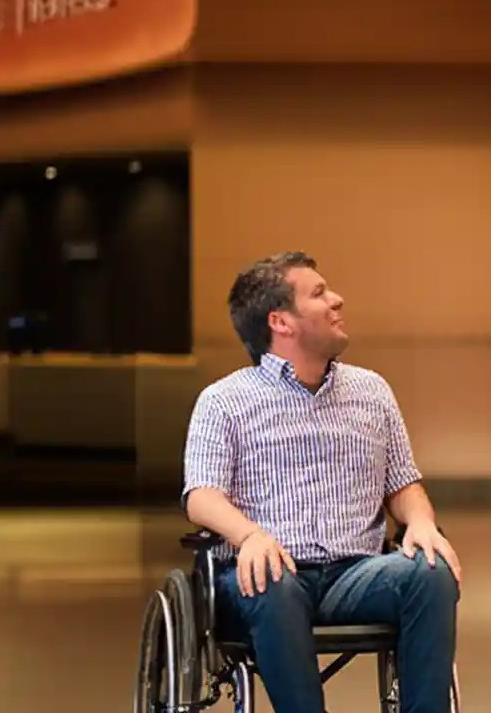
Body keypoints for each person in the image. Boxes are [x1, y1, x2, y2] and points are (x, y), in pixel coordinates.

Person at [182, 251, 461, 712]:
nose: (337, 299)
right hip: (267, 576)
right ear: (280, 322)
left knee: (431, 572)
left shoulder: (371, 391)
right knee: (272, 580)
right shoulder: (224, 401)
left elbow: (402, 485)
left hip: (358, 572)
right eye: (318, 293)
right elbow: (202, 496)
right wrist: (250, 536)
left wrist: (421, 522)